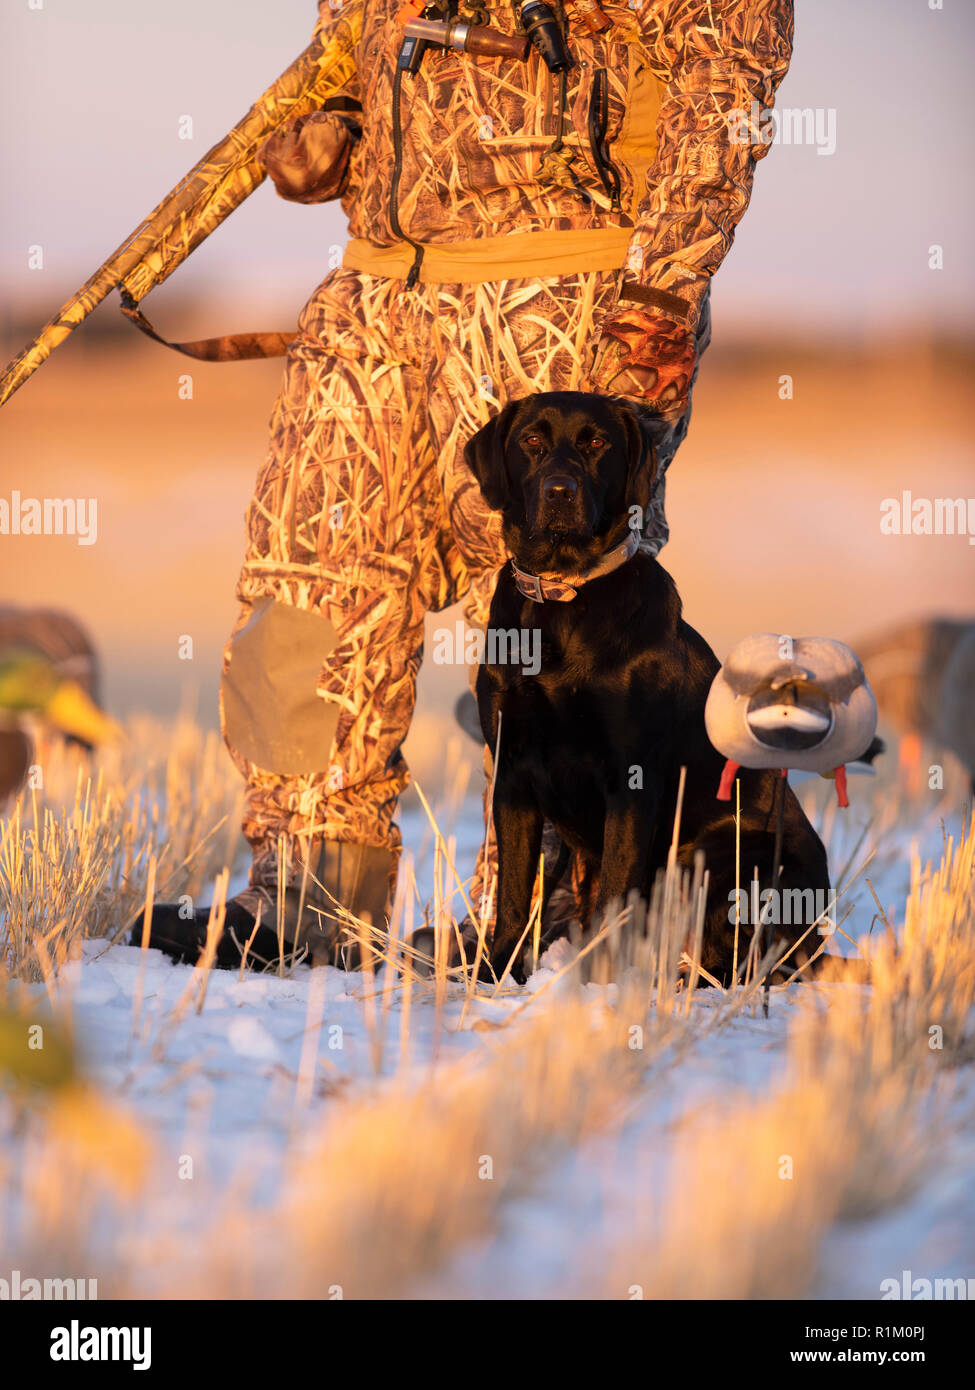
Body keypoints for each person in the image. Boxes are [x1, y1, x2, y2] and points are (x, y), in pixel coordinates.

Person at [137, 0, 795, 968]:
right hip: (376, 287)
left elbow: (728, 56)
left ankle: (550, 916)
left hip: (566, 280)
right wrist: (346, 131)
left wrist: (666, 284)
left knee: (566, 616)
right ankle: (306, 897)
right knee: (305, 575)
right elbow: (374, 51)